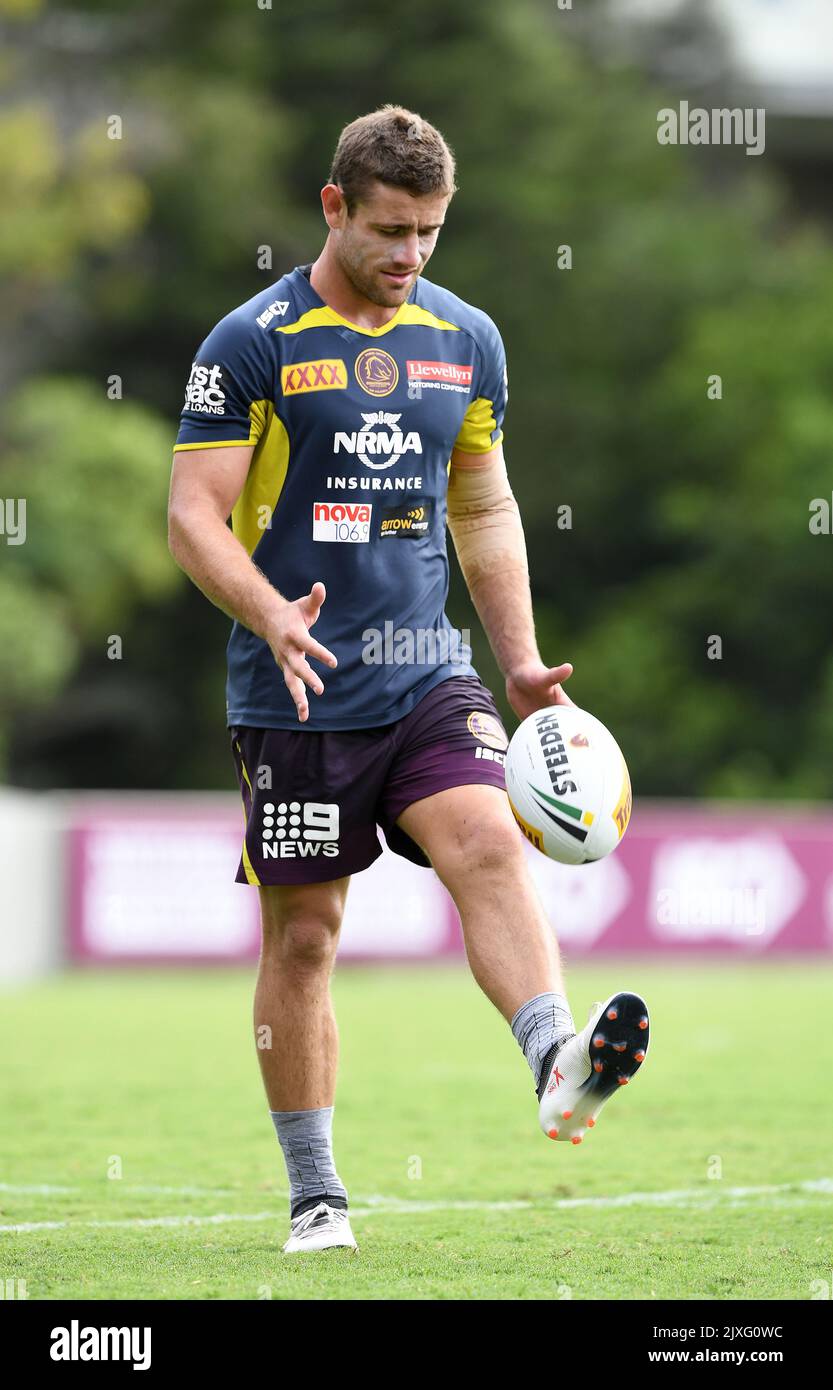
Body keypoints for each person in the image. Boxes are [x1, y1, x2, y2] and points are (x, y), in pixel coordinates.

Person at [168, 105, 649, 1255]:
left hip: (426, 666)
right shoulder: (252, 341)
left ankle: (554, 1057)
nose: (410, 256)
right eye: (389, 230)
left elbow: (480, 503)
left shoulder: (465, 338)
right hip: (291, 689)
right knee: (304, 941)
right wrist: (269, 612)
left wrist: (521, 658)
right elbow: (191, 517)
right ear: (333, 207)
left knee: (487, 838)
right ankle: (316, 1193)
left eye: (430, 232)